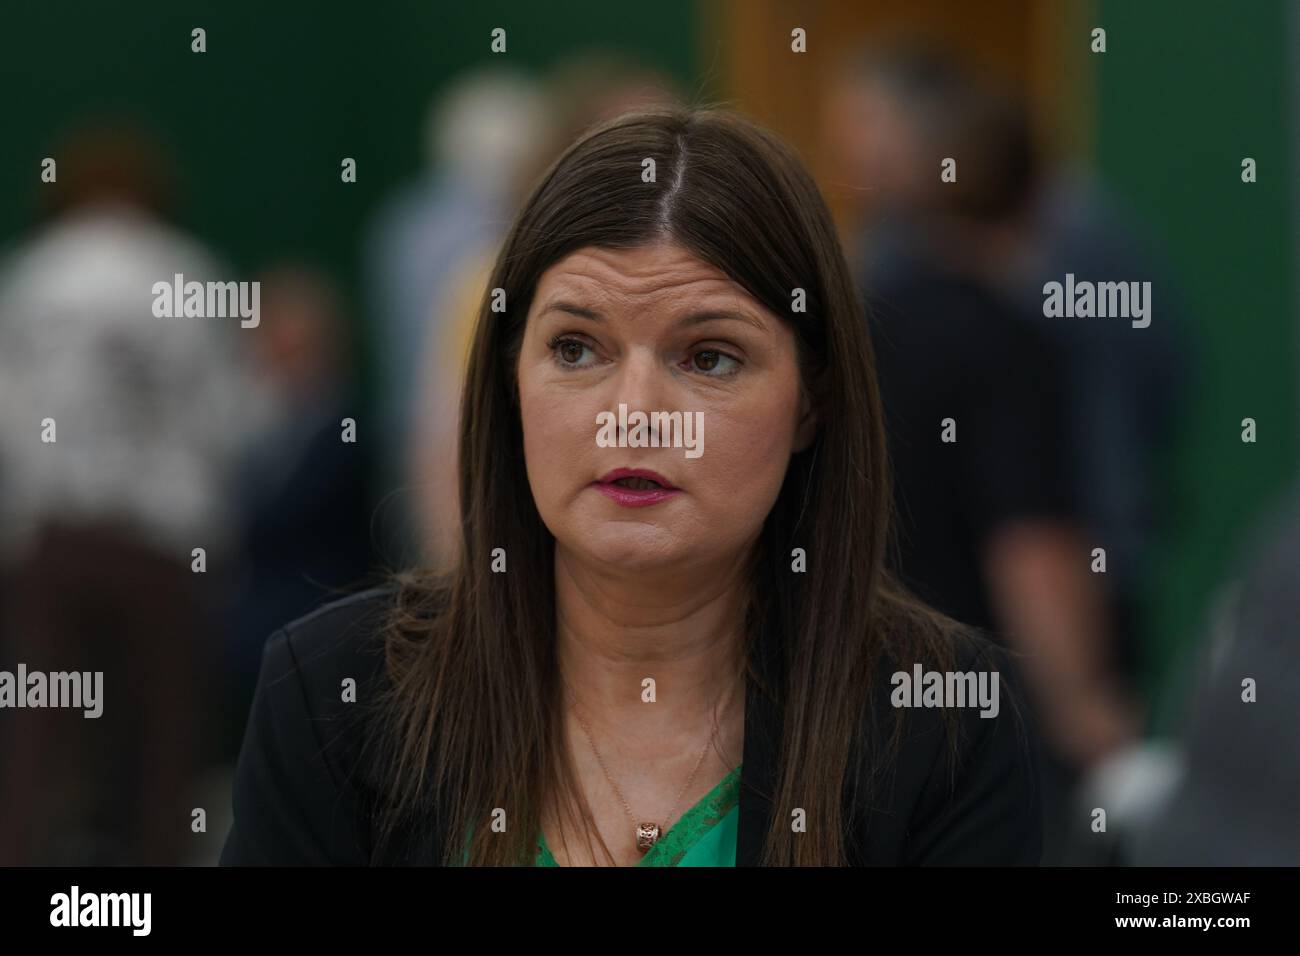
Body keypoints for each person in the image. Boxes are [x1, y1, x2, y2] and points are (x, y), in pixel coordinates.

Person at [220, 105, 1042, 867]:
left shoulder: (943, 720)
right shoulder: (333, 693)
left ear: (810, 405)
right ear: (511, 382)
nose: (634, 417)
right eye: (576, 349)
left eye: (709, 357)